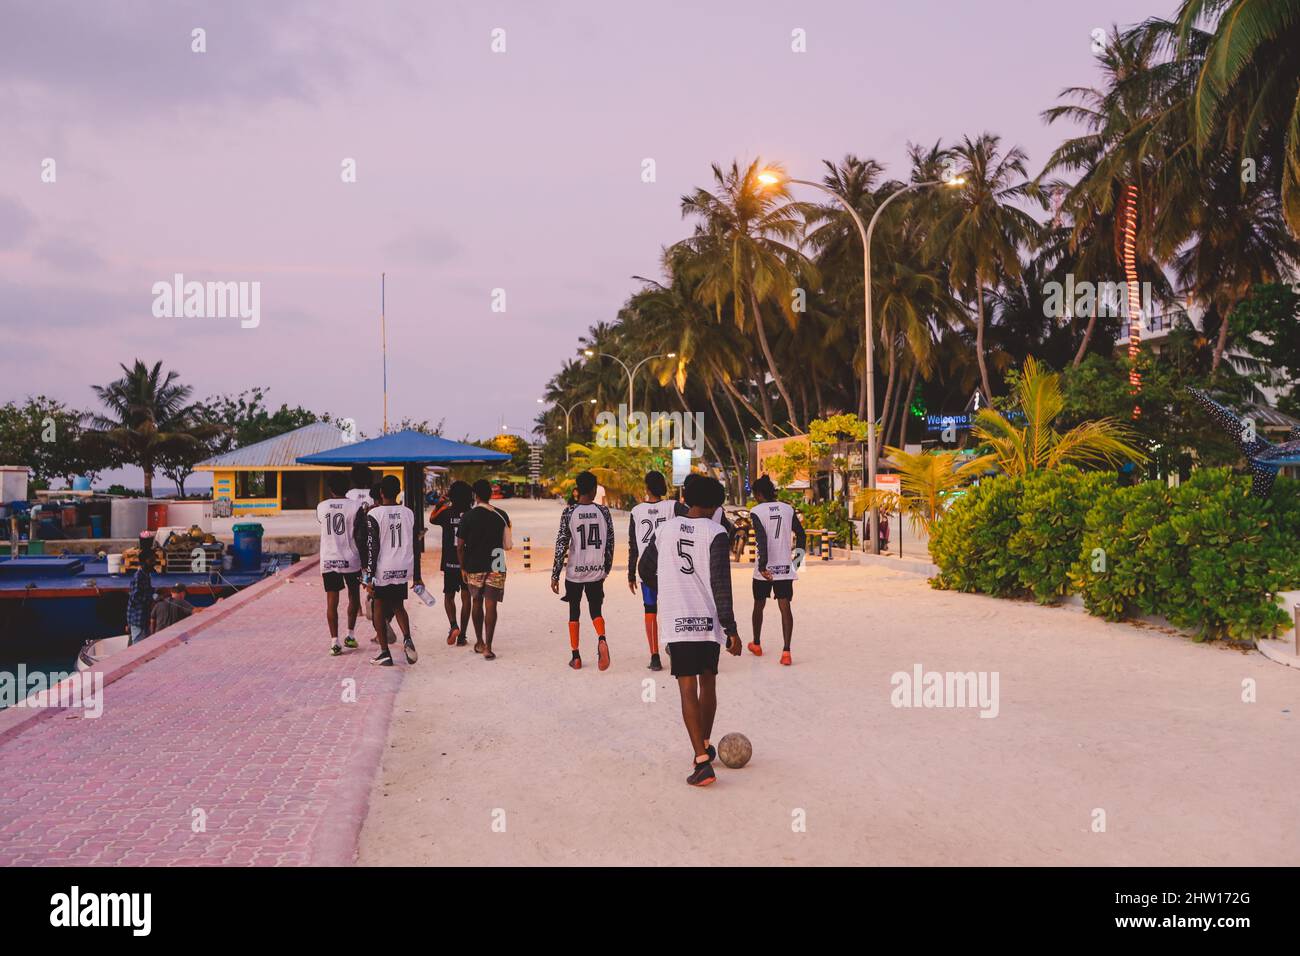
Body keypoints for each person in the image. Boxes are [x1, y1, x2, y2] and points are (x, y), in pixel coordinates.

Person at [638, 475, 741, 787]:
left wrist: (667, 588)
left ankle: (700, 757)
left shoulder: (664, 530)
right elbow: (721, 585)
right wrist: (731, 628)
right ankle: (705, 746)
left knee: (686, 687)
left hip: (677, 619)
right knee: (707, 683)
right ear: (712, 505)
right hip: (707, 621)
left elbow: (644, 569)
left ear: (687, 498)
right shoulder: (717, 532)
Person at [551, 470, 615, 671]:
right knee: (596, 609)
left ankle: (576, 656)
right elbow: (610, 543)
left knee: (574, 611)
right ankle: (602, 638)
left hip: (575, 572)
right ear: (595, 490)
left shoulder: (569, 512)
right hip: (596, 570)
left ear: (577, 490)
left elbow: (562, 543)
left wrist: (555, 574)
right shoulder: (604, 512)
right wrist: (605, 570)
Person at [747, 475, 805, 665]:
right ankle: (786, 651)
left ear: (759, 493)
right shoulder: (788, 509)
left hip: (763, 569)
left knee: (759, 604)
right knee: (785, 606)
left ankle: (756, 643)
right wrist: (796, 563)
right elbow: (801, 534)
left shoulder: (756, 511)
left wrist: (763, 566)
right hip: (784, 567)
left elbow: (762, 540)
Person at [364, 475, 417, 666]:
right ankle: (407, 638)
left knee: (378, 606)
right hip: (403, 566)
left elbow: (372, 547)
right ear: (398, 491)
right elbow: (414, 544)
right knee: (398, 605)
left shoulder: (374, 515)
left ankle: (385, 652)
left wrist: (368, 577)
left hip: (383, 568)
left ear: (380, 493)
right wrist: (417, 576)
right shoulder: (408, 513)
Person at [456, 479, 511, 660]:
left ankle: (479, 641)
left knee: (476, 601)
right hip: (497, 560)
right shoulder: (502, 514)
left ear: (475, 495)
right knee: (491, 604)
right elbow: (507, 545)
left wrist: (462, 567)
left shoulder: (467, 517)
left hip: (474, 562)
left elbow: (460, 546)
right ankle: (489, 646)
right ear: (490, 494)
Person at [318, 470, 368, 656]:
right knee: (353, 596)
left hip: (329, 559)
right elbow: (361, 537)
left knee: (332, 601)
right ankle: (350, 635)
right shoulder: (356, 507)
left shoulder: (321, 507)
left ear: (330, 489)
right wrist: (365, 564)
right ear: (347, 488)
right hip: (351, 559)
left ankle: (334, 642)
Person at [627, 470, 672, 671]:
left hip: (646, 569)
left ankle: (655, 656)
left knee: (650, 610)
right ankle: (672, 644)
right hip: (670, 567)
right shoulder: (673, 507)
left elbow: (633, 546)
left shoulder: (636, 511)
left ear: (646, 488)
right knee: (671, 609)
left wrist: (630, 574)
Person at [430, 480, 473, 646]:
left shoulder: (446, 512)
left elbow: (432, 519)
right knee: (466, 597)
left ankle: (453, 625)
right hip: (466, 562)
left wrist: (440, 502)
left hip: (449, 560)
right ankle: (463, 635)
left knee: (449, 595)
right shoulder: (471, 514)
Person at [125, 533, 155, 645]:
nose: (153, 563)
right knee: (138, 646)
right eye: (151, 561)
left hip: (144, 619)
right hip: (138, 621)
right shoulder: (139, 576)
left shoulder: (147, 575)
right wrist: (153, 597)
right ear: (143, 562)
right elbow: (136, 598)